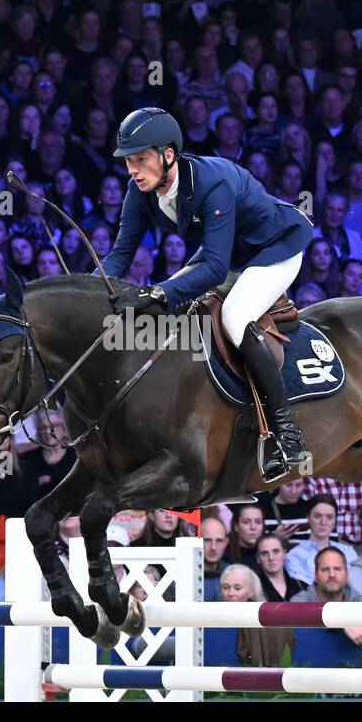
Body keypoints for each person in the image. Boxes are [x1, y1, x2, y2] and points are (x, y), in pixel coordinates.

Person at [100, 107, 314, 482]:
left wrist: (157, 293)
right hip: (228, 252)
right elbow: (120, 254)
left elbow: (214, 271)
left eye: (140, 160)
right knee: (174, 304)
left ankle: (287, 434)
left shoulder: (212, 183)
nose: (132, 170)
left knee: (234, 318)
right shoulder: (140, 190)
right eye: (128, 162)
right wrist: (91, 292)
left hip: (273, 249)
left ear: (168, 155)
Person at [289, 548, 362, 644]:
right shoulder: (302, 599)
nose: (332, 575)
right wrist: (342, 620)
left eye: (337, 569)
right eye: (325, 569)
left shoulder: (357, 599)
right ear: (315, 576)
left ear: (347, 575)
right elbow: (298, 612)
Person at [220, 562, 296, 667]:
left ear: (251, 591)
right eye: (225, 587)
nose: (230, 593)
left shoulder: (267, 621)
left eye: (237, 588)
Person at [284, 495, 359, 584]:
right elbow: (302, 588)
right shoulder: (295, 554)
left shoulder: (348, 552)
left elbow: (355, 585)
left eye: (329, 517)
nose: (323, 522)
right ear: (308, 517)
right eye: (317, 516)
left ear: (335, 521)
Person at [254, 533, 304, 602]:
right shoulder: (252, 590)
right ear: (258, 558)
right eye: (265, 553)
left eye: (276, 551)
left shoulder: (301, 587)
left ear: (284, 553)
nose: (271, 558)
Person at [201, 515, 228, 598]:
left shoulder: (233, 574)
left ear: (226, 543)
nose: (213, 547)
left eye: (219, 541)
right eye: (207, 540)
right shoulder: (181, 576)